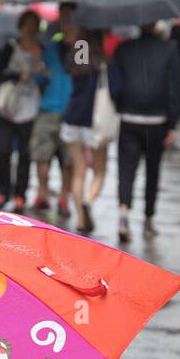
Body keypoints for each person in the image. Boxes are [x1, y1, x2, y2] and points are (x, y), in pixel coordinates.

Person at [111, 22, 180, 241]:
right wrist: (172, 123)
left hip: (129, 118)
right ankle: (148, 219)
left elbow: (115, 83)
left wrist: (121, 104)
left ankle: (123, 214)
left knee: (126, 169)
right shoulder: (169, 50)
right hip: (157, 121)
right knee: (153, 171)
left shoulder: (123, 49)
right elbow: (176, 87)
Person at [60, 28, 115, 233]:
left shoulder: (80, 50)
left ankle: (81, 220)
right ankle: (88, 200)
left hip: (73, 117)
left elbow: (74, 68)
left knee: (79, 172)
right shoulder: (103, 59)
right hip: (96, 121)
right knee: (100, 172)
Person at [0, 8, 44, 212]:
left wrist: (40, 68)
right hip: (7, 106)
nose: (31, 29)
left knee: (25, 153)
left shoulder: (42, 48)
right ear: (21, 26)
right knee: (3, 150)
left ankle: (20, 194)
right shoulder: (9, 48)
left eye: (34, 25)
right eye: (28, 24)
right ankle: (3, 191)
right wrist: (15, 75)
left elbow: (45, 79)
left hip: (30, 108)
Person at [29, 4, 76, 219]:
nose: (67, 22)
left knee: (68, 161)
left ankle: (64, 197)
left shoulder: (82, 47)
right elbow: (40, 78)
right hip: (47, 109)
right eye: (64, 17)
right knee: (41, 156)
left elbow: (82, 75)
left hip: (72, 112)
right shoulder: (52, 47)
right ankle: (43, 191)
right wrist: (39, 70)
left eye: (71, 18)